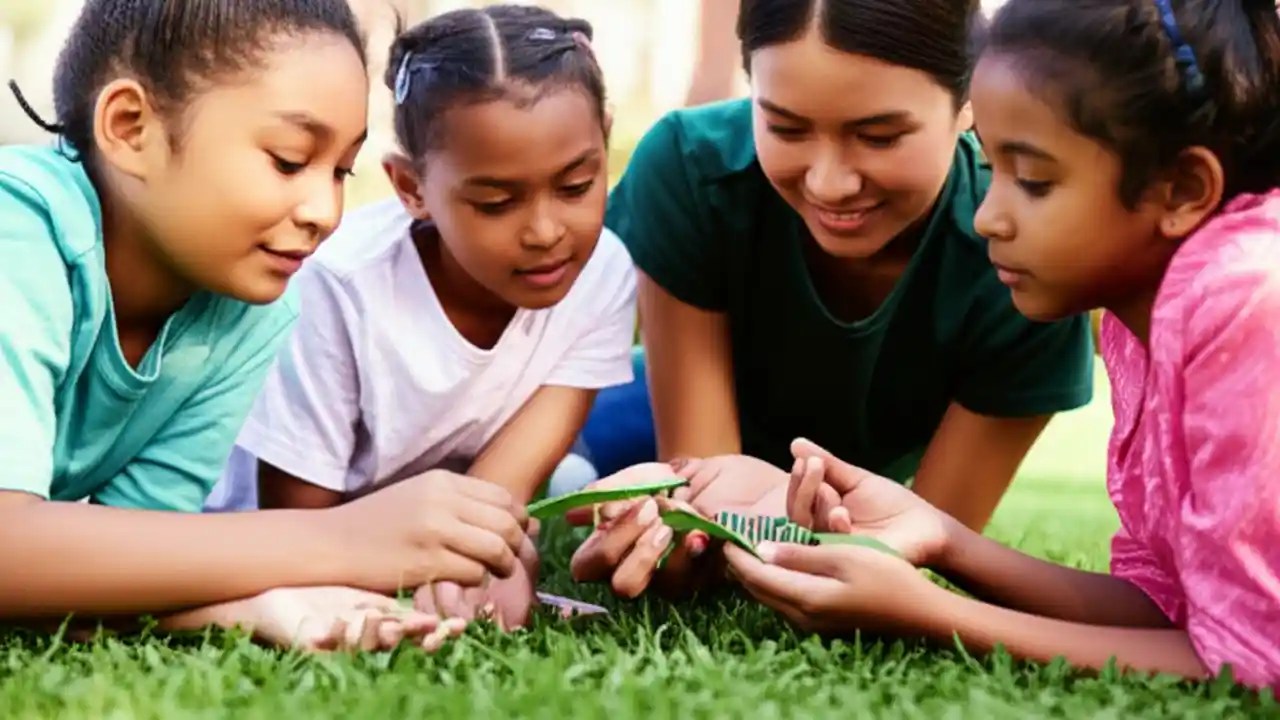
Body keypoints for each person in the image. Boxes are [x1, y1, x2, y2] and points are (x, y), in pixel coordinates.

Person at [726, 0, 1280, 689]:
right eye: (990, 165)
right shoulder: (1147, 317)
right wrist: (940, 537)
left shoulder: (1249, 297)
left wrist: (929, 614)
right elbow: (1172, 610)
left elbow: (1251, 660)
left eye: (1035, 181)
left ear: (1183, 188)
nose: (988, 216)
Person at [0, 0, 528, 652]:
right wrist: (344, 541)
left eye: (340, 171)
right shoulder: (17, 233)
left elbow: (126, 563)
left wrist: (253, 610)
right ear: (131, 127)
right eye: (287, 159)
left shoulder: (250, 310)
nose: (325, 211)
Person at [568, 0, 1095, 599]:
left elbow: (919, 550)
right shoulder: (692, 170)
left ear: (969, 101)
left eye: (879, 136)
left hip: (849, 494)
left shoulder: (1020, 257)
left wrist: (799, 537)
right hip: (636, 419)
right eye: (786, 128)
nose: (829, 183)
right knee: (561, 473)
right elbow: (705, 511)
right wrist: (684, 535)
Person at [206, 4, 635, 631]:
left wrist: (482, 559)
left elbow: (496, 496)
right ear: (411, 188)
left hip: (429, 505)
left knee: (545, 506)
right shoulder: (337, 287)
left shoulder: (602, 273)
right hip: (283, 524)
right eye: (495, 202)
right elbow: (300, 530)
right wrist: (427, 564)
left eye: (576, 187)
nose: (546, 233)